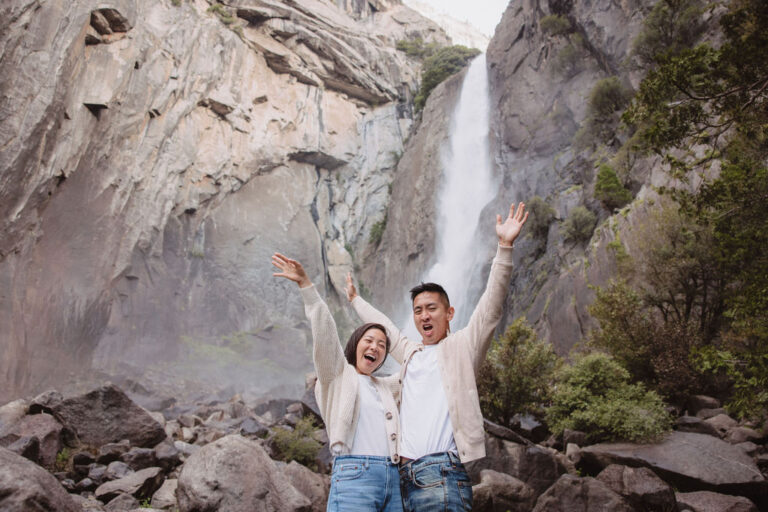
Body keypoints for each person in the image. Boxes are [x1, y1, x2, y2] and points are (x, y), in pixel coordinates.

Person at [345, 202, 528, 511]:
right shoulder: (411, 353)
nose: (424, 315)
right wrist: (355, 300)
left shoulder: (462, 347)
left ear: (449, 313)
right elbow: (386, 329)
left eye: (431, 308)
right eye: (418, 310)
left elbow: (491, 308)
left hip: (441, 474)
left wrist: (504, 248)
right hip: (400, 479)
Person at [272, 253, 404, 512]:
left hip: (394, 478)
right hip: (355, 475)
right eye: (369, 340)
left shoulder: (388, 386)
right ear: (355, 344)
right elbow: (326, 336)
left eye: (381, 345)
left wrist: (358, 302)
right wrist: (307, 288)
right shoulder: (337, 375)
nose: (375, 347)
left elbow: (415, 362)